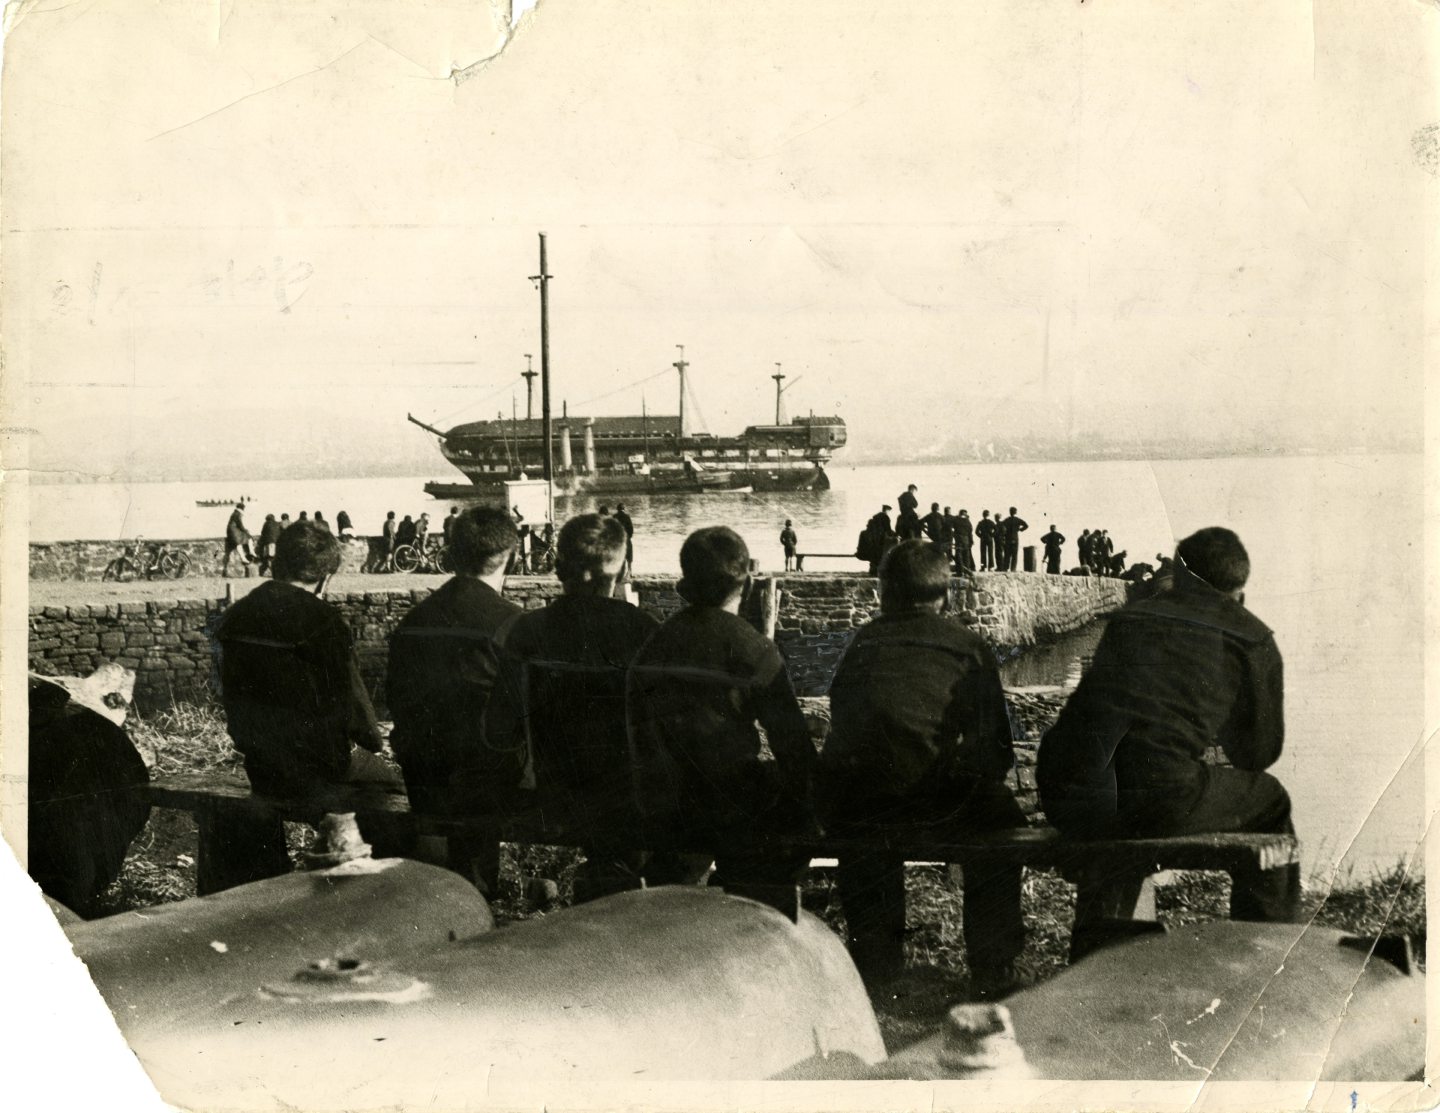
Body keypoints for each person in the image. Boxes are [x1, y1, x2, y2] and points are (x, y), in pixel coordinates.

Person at [1037, 527, 1300, 928]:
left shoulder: (1130, 619)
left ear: (1177, 573)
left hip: (1066, 793)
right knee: (1271, 800)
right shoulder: (1250, 635)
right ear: (1239, 586)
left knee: (1131, 787)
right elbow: (1257, 755)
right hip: (1153, 799)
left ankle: (1101, 946)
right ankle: (1263, 955)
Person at [820, 540, 1025, 995]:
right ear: (945, 596)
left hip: (869, 804)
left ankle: (875, 959)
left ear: (883, 594)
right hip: (938, 798)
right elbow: (995, 748)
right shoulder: (968, 646)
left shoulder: (862, 643)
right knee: (1003, 827)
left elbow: (844, 722)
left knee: (862, 811)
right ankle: (994, 964)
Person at [472, 513, 660, 902]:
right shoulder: (645, 631)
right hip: (627, 800)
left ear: (559, 568)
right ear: (623, 569)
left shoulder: (527, 630)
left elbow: (498, 730)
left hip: (555, 794)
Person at [213, 520, 408, 883]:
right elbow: (358, 715)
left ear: (276, 563)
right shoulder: (324, 621)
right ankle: (379, 890)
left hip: (263, 767)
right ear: (324, 578)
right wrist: (373, 743)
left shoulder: (236, 616)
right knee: (392, 790)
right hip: (321, 767)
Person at [628, 526, 816, 891]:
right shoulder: (754, 650)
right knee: (794, 802)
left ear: (683, 588)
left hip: (662, 798)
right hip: (731, 799)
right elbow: (793, 747)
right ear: (746, 588)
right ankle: (744, 884)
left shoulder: (654, 645)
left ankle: (679, 883)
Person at [386, 508, 520, 879]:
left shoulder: (413, 622)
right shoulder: (512, 623)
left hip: (424, 777)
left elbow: (397, 701)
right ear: (511, 554)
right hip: (486, 786)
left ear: (451, 552)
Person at [858, 505, 897, 575]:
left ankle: (873, 570)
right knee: (882, 552)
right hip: (880, 538)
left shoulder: (875, 517)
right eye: (888, 510)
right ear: (887, 510)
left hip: (873, 538)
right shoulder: (885, 517)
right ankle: (879, 570)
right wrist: (895, 534)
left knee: (874, 556)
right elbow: (888, 529)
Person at [223, 502, 253, 578]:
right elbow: (240, 524)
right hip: (234, 531)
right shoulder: (238, 514)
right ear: (242, 508)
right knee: (243, 540)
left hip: (232, 531)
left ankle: (245, 557)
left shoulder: (235, 513)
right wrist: (246, 531)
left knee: (238, 543)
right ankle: (248, 554)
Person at [1000, 507, 1028, 571]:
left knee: (1007, 554)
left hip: (1008, 538)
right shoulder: (1018, 520)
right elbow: (1026, 525)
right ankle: (1013, 568)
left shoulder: (1006, 520)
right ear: (1015, 512)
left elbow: (1002, 527)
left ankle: (1006, 568)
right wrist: (1020, 529)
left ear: (1010, 512)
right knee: (1014, 554)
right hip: (1015, 538)